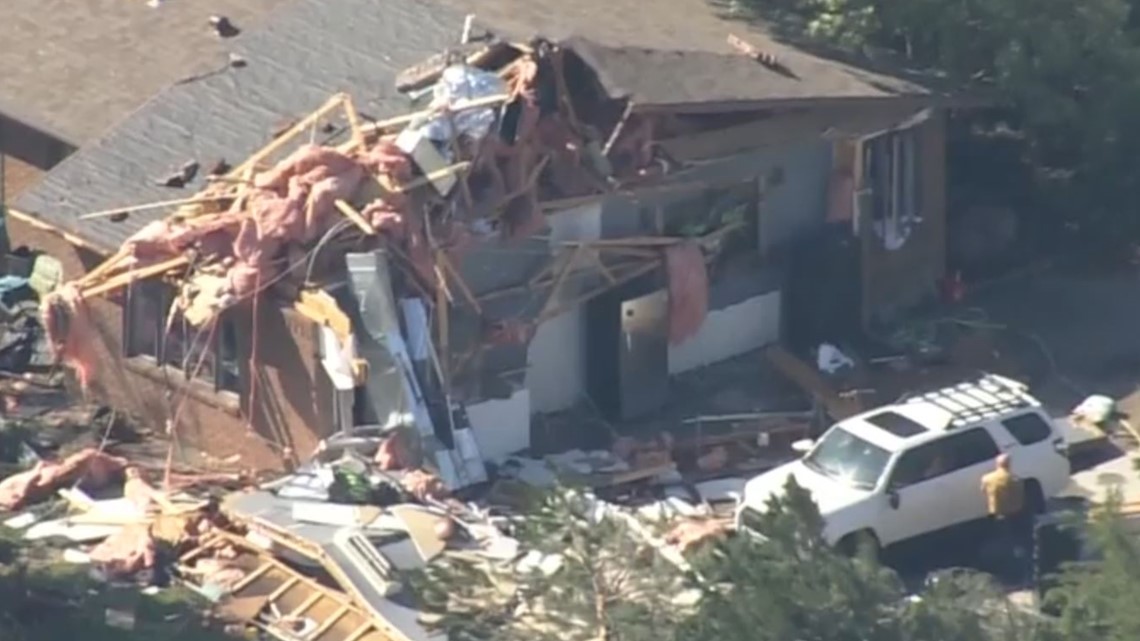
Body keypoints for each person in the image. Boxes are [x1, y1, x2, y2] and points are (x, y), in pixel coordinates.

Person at [980, 453, 1029, 584]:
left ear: (997, 464)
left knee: (1003, 542)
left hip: (998, 515)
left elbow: (983, 491)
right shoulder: (1016, 480)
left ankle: (1005, 573)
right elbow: (1021, 497)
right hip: (1015, 514)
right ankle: (1022, 573)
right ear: (1009, 465)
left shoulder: (987, 479)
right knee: (1018, 542)